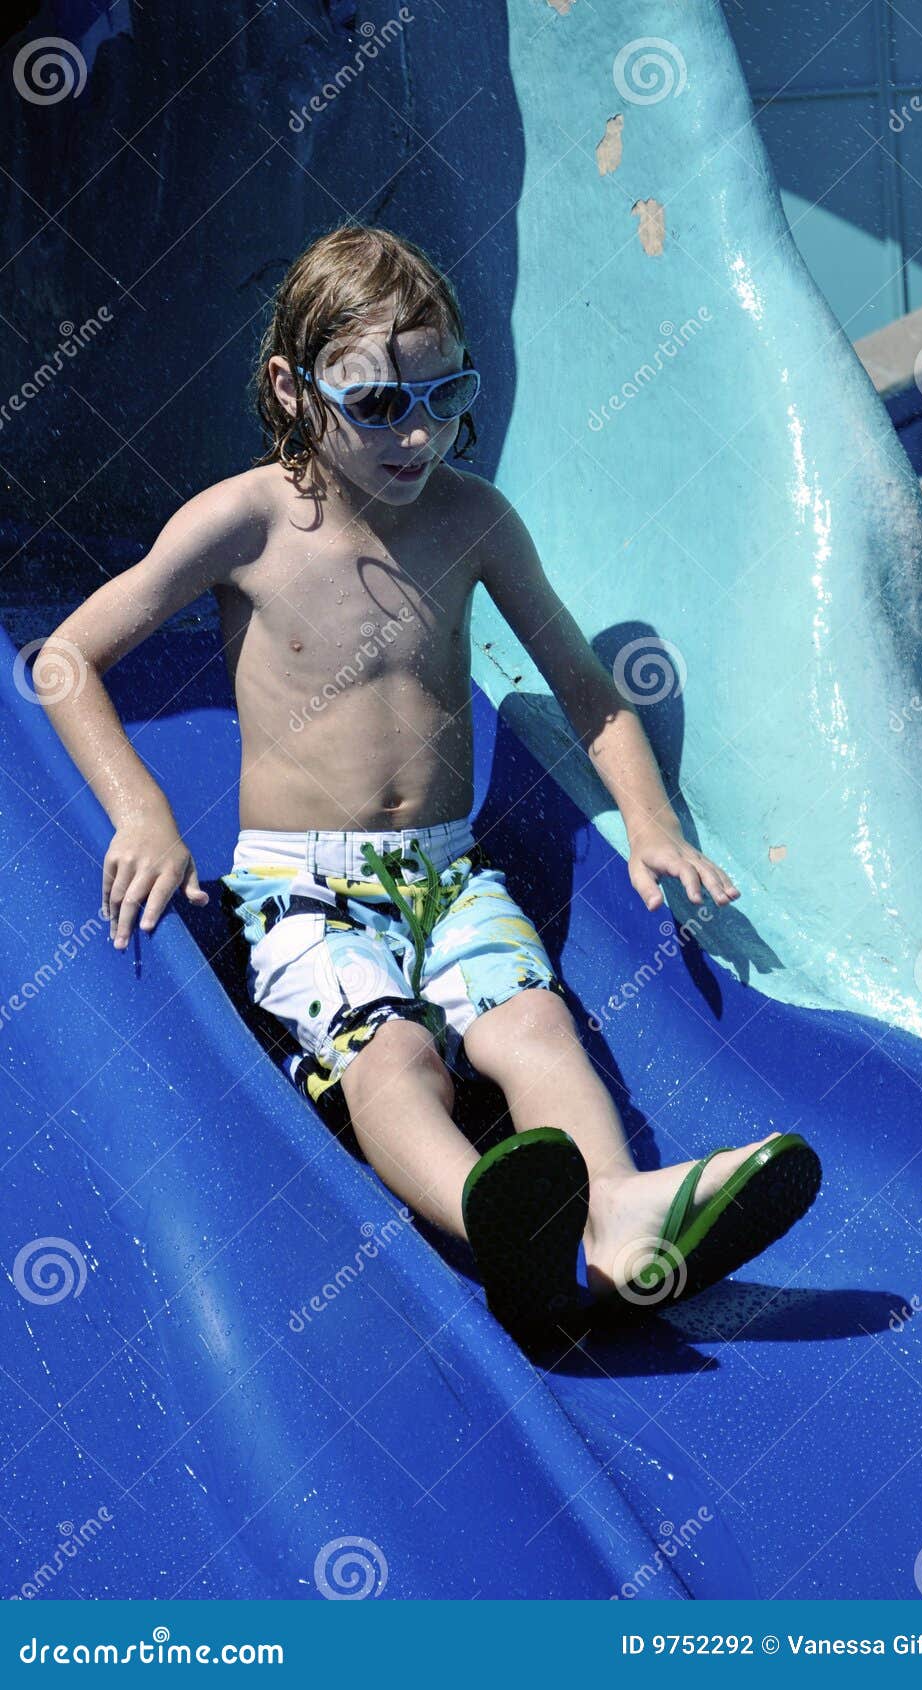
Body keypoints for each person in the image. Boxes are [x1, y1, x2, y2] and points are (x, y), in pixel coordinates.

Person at [36, 224, 820, 1345]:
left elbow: (585, 689)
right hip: (302, 892)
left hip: (450, 874)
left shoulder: (472, 518)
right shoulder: (243, 523)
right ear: (290, 389)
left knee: (537, 1027)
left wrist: (649, 823)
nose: (416, 433)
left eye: (444, 396)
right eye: (375, 405)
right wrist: (142, 808)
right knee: (392, 1054)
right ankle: (492, 1216)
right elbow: (65, 659)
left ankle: (615, 1207)